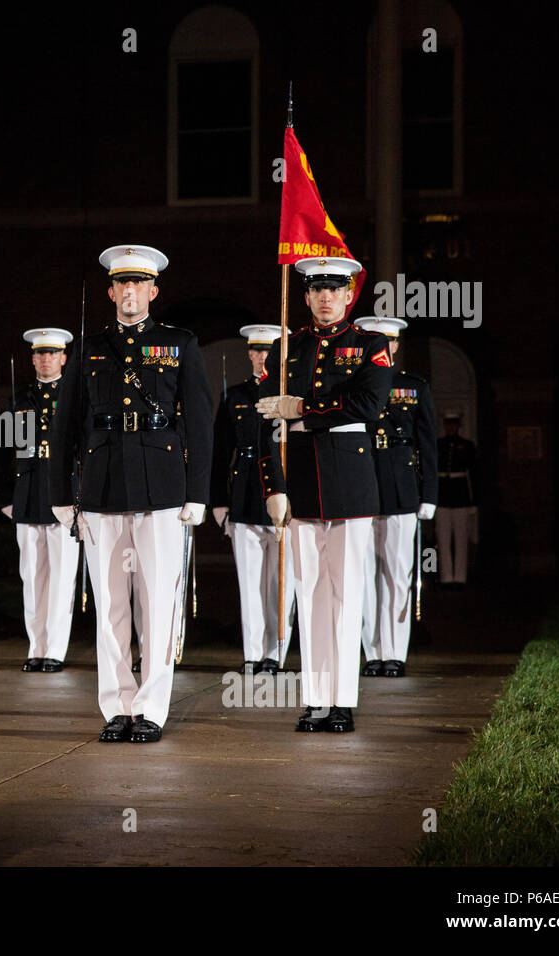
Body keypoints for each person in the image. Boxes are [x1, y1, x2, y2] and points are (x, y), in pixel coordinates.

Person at [49, 245, 213, 744]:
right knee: (111, 607)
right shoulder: (90, 347)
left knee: (159, 602)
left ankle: (151, 708)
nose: (129, 292)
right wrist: (62, 493)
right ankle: (117, 706)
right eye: (121, 284)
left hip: (162, 489)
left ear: (153, 291)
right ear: (110, 291)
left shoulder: (178, 343)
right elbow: (65, 427)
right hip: (101, 489)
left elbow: (200, 422)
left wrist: (199, 491)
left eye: (138, 284)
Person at [255, 257, 393, 733]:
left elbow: (369, 405)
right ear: (307, 296)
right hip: (302, 485)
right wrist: (273, 487)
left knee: (346, 591)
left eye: (335, 290)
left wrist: (304, 409)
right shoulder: (285, 349)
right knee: (309, 591)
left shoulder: (370, 345)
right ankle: (316, 698)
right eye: (317, 290)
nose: (326, 298)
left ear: (348, 294)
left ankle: (343, 700)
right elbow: (267, 425)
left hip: (351, 483)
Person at [354, 317, 437, 678]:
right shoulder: (355, 385)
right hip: (362, 486)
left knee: (396, 573)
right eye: (377, 342)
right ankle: (372, 652)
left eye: (390, 342)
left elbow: (428, 445)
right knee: (365, 574)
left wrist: (428, 493)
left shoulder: (412, 387)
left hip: (402, 488)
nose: (385, 348)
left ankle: (395, 652)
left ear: (397, 346)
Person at [211, 324, 295, 676]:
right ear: (249, 354)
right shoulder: (236, 396)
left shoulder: (293, 395)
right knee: (250, 583)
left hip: (285, 498)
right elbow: (220, 451)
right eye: (257, 351)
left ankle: (276, 653)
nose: (262, 357)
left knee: (282, 584)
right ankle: (253, 652)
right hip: (245, 495)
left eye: (270, 351)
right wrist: (218, 500)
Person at [0, 328, 77, 673]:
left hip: (63, 496)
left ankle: (55, 651)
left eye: (52, 354)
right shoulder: (21, 400)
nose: (46, 359)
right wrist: (5, 498)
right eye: (39, 354)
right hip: (28, 495)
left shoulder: (76, 398)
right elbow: (2, 452)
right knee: (32, 577)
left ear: (63, 358)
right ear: (32, 359)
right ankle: (36, 647)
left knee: (61, 578)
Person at [436, 411, 476, 587]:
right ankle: (446, 577)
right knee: (443, 538)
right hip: (442, 495)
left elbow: (474, 473)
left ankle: (460, 576)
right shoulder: (438, 444)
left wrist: (474, 501)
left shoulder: (467, 445)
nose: (451, 427)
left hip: (460, 495)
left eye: (454, 424)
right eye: (448, 424)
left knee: (461, 537)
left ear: (458, 425)